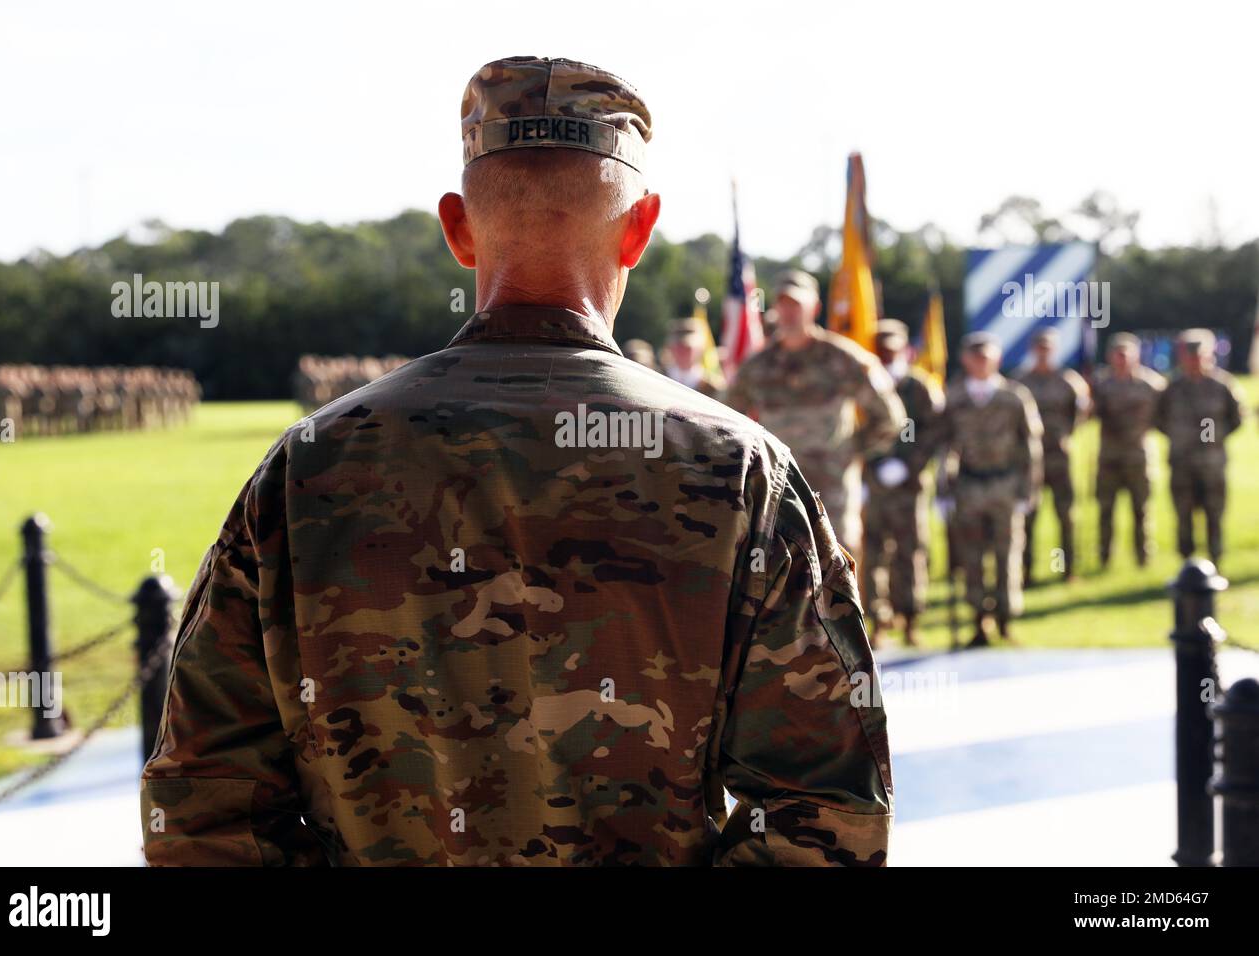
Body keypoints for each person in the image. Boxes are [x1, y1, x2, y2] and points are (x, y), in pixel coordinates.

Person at [141, 56, 892, 867]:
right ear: (640, 227)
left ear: (458, 228)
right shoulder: (743, 473)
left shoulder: (305, 471)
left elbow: (200, 808)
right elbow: (827, 814)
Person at [726, 269, 904, 556]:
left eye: (796, 304)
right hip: (778, 490)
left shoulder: (842, 359)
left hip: (832, 491)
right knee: (780, 576)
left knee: (839, 571)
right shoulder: (757, 367)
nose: (788, 312)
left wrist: (851, 450)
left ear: (815, 308)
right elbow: (728, 420)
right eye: (783, 304)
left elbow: (889, 416)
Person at [938, 332, 1042, 646]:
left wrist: (1029, 489)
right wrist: (943, 490)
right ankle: (978, 620)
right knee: (971, 557)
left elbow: (1030, 446)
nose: (981, 362)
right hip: (969, 485)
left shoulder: (1014, 397)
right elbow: (945, 446)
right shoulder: (954, 398)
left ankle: (1006, 619)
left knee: (1007, 553)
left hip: (1005, 484)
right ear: (965, 360)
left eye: (987, 356)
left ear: (996, 358)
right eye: (975, 356)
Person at [862, 319, 943, 647]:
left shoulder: (918, 386)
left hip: (909, 485)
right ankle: (877, 620)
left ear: (905, 349)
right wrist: (872, 467)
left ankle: (910, 618)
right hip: (875, 483)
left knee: (911, 551)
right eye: (882, 349)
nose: (888, 355)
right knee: (873, 552)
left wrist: (909, 466)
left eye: (893, 349)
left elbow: (934, 431)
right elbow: (856, 430)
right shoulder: (866, 386)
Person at [1155, 328, 1246, 565]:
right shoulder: (1172, 387)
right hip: (1181, 463)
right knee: (1183, 515)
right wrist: (1181, 438)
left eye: (1199, 355)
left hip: (1212, 465)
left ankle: (1215, 563)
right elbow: (1159, 419)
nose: (1194, 360)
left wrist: (1213, 440)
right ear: (1182, 356)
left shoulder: (1222, 385)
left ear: (1209, 355)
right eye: (1189, 355)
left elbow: (1236, 419)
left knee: (1214, 515)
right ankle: (1187, 566)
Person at [1016, 327, 1090, 583]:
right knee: (1027, 515)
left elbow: (1079, 415)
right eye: (1040, 348)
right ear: (1033, 350)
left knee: (1065, 514)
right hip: (1030, 460)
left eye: (1048, 348)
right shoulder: (1021, 381)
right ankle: (1025, 571)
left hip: (1059, 456)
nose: (1044, 353)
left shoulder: (1069, 381)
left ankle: (1065, 568)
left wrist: (1063, 436)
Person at [1091, 333, 1166, 567]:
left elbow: (1164, 415)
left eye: (1126, 354)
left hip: (1138, 456)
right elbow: (1089, 414)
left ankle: (1143, 557)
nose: (1122, 359)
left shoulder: (1151, 384)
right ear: (1110, 356)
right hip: (1109, 457)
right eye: (1118, 354)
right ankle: (1104, 557)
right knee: (1105, 510)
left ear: (1136, 355)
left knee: (1141, 510)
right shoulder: (1100, 385)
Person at [662, 316, 725, 397]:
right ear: (670, 348)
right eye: (678, 347)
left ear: (700, 349)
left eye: (688, 348)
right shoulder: (656, 378)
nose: (682, 352)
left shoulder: (713, 387)